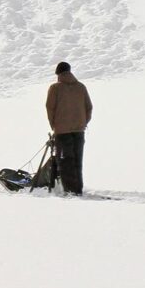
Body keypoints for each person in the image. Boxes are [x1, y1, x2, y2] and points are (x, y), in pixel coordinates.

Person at [46, 60, 93, 196]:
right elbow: (89, 108)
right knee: (78, 160)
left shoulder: (55, 88)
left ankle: (71, 191)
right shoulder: (81, 87)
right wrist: (83, 123)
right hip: (79, 131)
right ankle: (78, 189)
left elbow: (50, 108)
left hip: (62, 132)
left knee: (66, 161)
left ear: (58, 74)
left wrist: (55, 126)